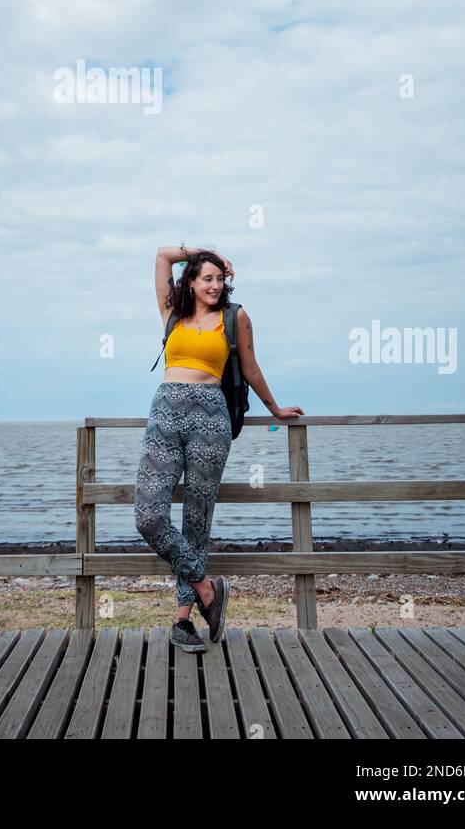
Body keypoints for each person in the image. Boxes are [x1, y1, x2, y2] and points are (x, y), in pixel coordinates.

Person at [134, 244, 305, 652]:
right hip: (165, 412)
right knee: (148, 515)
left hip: (211, 416)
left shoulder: (235, 317)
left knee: (197, 518)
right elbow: (161, 256)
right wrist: (210, 252)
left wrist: (275, 408)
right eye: (207, 277)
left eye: (220, 278)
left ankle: (182, 620)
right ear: (190, 280)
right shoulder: (171, 312)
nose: (215, 284)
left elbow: (251, 367)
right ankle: (208, 589)